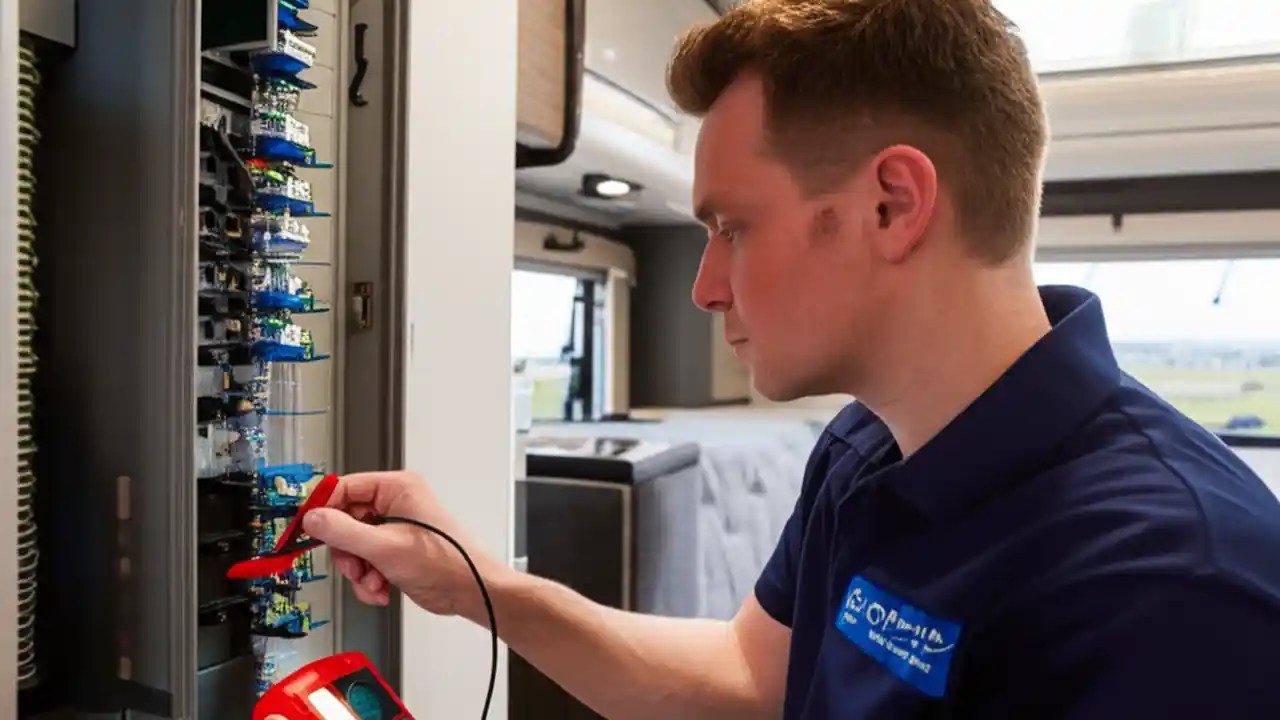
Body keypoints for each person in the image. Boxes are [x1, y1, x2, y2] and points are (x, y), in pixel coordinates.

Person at [280, 0, 1280, 717]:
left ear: (890, 204)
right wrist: (471, 585)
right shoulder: (865, 447)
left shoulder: (1172, 586)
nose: (704, 286)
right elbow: (748, 678)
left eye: (730, 227)